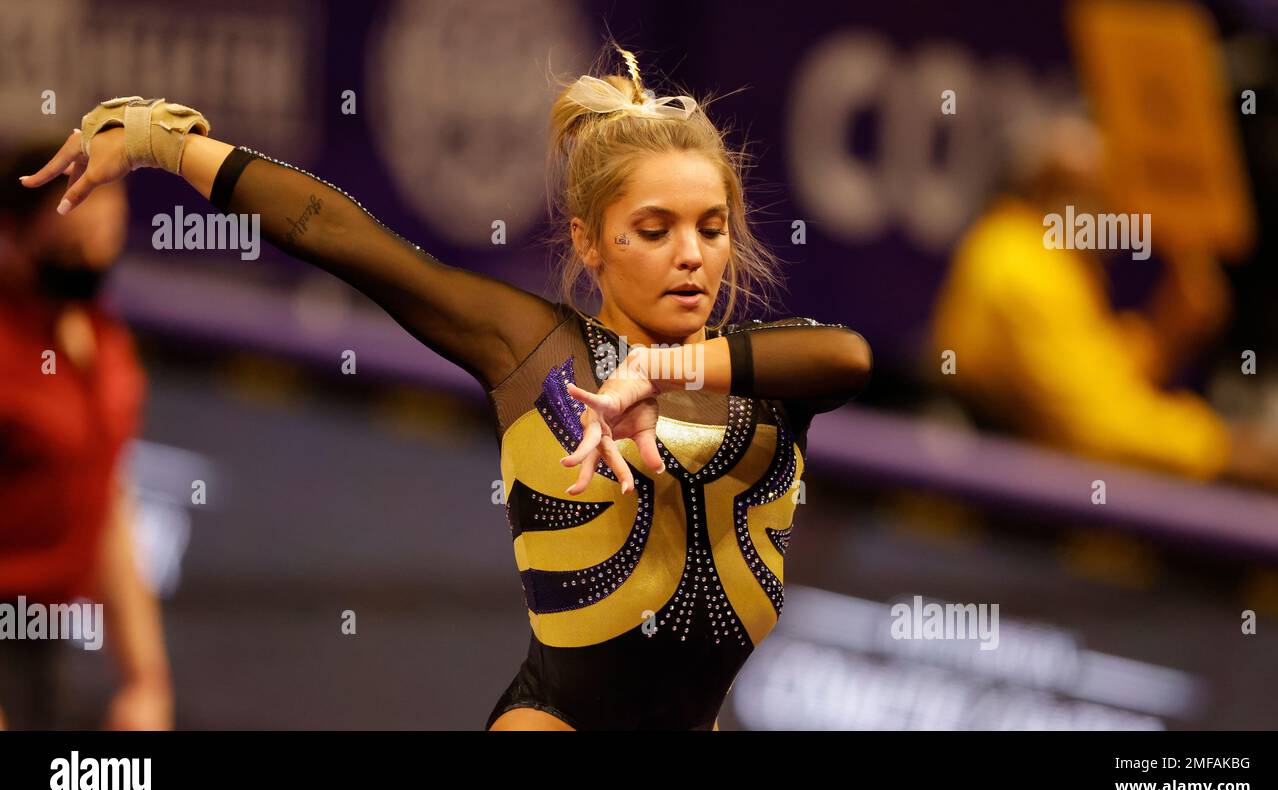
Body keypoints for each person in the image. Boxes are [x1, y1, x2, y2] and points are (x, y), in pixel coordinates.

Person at [21, 45, 872, 730]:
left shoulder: (772, 378)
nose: (691, 253)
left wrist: (662, 367)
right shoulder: (537, 351)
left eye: (711, 227)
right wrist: (160, 140)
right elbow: (346, 238)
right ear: (590, 242)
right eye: (653, 229)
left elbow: (849, 356)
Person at [928, 113, 1278, 489]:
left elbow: (1093, 376)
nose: (1114, 216)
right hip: (986, 515)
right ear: (1048, 188)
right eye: (1096, 195)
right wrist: (1223, 449)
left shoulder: (1047, 258)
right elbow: (1097, 427)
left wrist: (1164, 335)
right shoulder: (1021, 263)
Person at [0, 140, 172, 730]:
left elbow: (108, 503)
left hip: (48, 642)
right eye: (75, 240)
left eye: (108, 232)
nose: (100, 233)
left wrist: (146, 682)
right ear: (12, 234)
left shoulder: (101, 333)